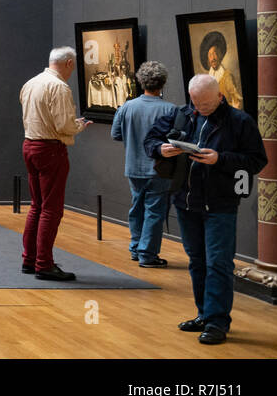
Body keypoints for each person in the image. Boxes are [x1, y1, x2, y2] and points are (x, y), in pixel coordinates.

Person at [146, 74, 267, 345]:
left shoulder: (239, 122)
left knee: (219, 264)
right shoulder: (181, 114)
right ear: (190, 97)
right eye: (196, 102)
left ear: (220, 96)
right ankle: (204, 314)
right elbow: (150, 140)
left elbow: (257, 160)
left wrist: (219, 159)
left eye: (206, 104)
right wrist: (160, 149)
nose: (200, 108)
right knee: (197, 261)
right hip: (186, 201)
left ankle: (217, 322)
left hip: (221, 204)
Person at [18, 46, 91, 281]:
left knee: (37, 206)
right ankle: (44, 264)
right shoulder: (59, 87)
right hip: (50, 150)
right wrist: (79, 125)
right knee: (51, 209)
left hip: (30, 145)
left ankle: (30, 259)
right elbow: (64, 127)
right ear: (69, 63)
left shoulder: (31, 83)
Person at [110, 60, 176, 267]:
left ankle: (136, 248)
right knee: (154, 212)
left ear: (141, 82)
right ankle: (147, 254)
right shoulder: (171, 110)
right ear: (162, 83)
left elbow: (116, 134)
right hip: (159, 169)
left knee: (136, 208)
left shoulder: (127, 107)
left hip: (133, 167)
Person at [199, 31, 243, 112]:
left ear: (220, 55)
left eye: (215, 53)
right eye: (210, 55)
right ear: (208, 59)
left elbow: (237, 101)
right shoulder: (207, 79)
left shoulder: (227, 76)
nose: (213, 58)